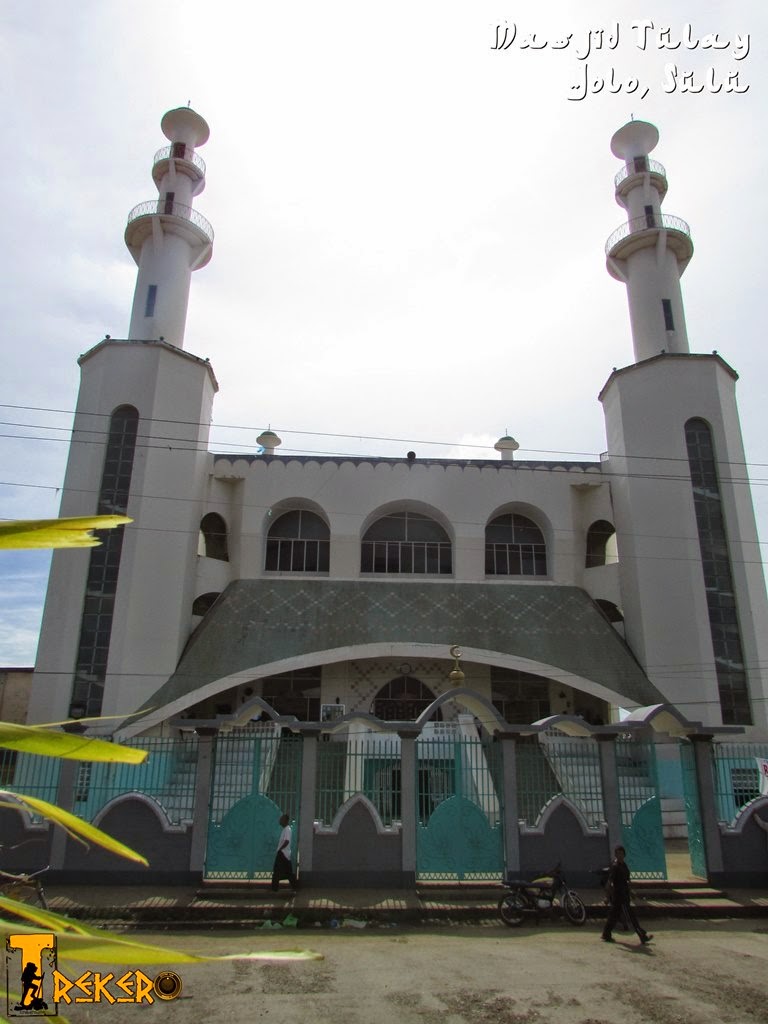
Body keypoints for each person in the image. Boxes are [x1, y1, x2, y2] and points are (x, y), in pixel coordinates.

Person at [601, 845, 653, 945]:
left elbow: (627, 881)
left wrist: (630, 891)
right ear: (615, 855)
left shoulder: (624, 866)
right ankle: (642, 936)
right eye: (618, 854)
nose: (620, 855)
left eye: (621, 854)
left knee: (614, 915)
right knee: (631, 916)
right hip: (619, 896)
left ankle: (606, 933)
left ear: (624, 855)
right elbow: (609, 883)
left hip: (624, 894)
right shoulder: (615, 867)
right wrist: (607, 897)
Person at [271, 813, 297, 892]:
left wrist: (280, 849)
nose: (280, 820)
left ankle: (275, 888)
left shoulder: (287, 829)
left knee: (278, 870)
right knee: (285, 871)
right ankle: (294, 886)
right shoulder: (285, 829)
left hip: (283, 853)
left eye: (281, 819)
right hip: (284, 853)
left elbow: (287, 841)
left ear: (285, 821)